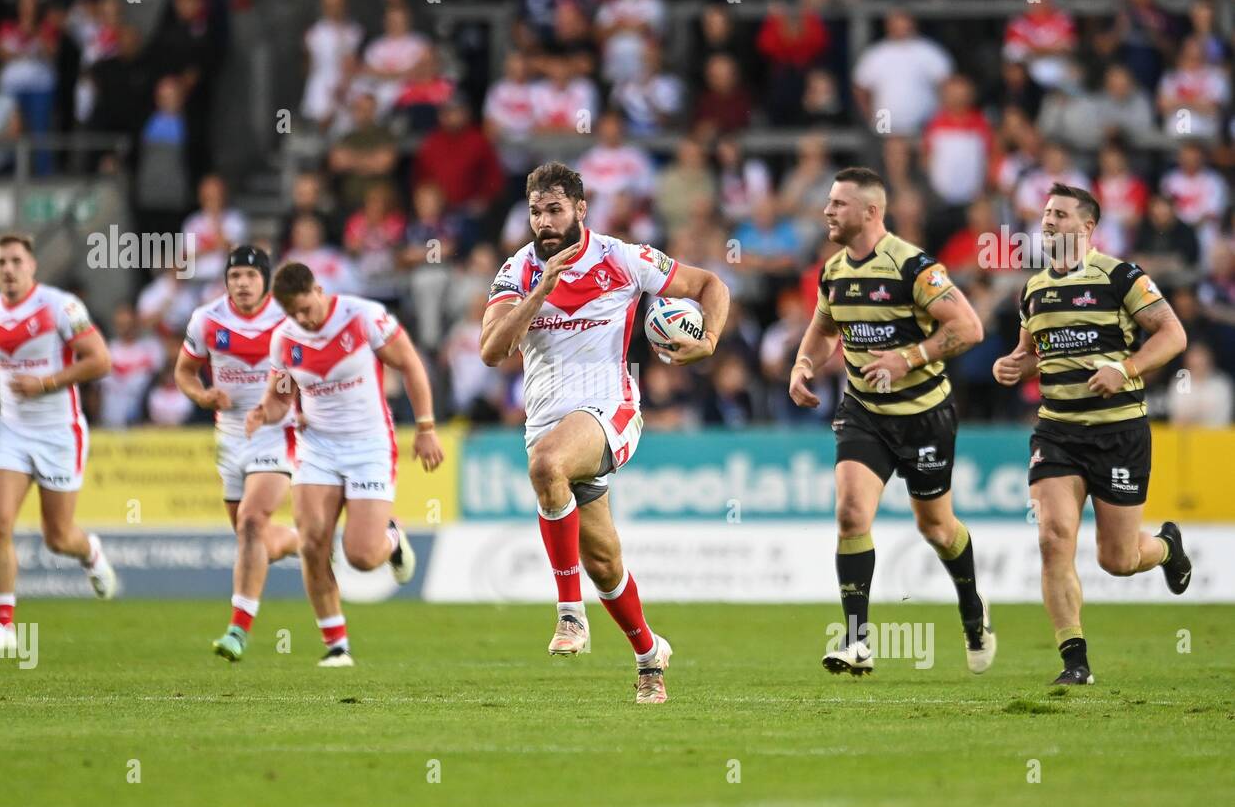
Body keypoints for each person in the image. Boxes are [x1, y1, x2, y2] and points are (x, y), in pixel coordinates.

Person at [479, 161, 731, 704]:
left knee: (548, 466)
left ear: (580, 210)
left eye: (555, 210)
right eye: (535, 212)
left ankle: (570, 616)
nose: (544, 222)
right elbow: (491, 351)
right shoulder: (518, 271)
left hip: (610, 408)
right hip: (546, 420)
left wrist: (708, 339)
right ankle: (649, 658)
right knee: (605, 564)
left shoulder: (622, 257)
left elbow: (710, 284)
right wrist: (543, 287)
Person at [788, 167, 993, 677]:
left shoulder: (914, 268)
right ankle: (857, 641)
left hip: (925, 416)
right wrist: (803, 364)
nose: (827, 211)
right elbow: (822, 328)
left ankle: (972, 610)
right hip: (864, 412)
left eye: (838, 204)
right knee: (852, 513)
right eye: (828, 202)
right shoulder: (834, 270)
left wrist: (908, 357)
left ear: (870, 212)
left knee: (938, 528)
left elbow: (969, 327)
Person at [992, 183, 1192, 685]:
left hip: (1119, 433)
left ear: (1087, 227)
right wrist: (1014, 366)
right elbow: (1031, 354)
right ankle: (1074, 661)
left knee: (1118, 560)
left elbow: (1173, 335)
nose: (1049, 221)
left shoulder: (1121, 276)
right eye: (1045, 213)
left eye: (1060, 214)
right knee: (1053, 536)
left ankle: (1167, 546)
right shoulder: (1033, 288)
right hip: (1057, 432)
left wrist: (1125, 369)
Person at [246, 263, 444, 667]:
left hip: (369, 445)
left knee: (362, 556)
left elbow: (410, 364)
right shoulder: (284, 341)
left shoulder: (363, 316)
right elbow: (280, 397)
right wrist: (262, 413)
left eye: (306, 308)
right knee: (313, 541)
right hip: (316, 446)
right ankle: (337, 644)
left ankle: (391, 537)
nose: (303, 319)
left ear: (319, 290)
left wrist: (426, 427)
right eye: (294, 314)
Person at [0, 233, 118, 654]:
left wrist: (46, 382)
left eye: (15, 261)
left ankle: (90, 551)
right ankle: (2, 626)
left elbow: (100, 360)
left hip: (60, 431)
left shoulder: (61, 307)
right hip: (13, 432)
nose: (8, 269)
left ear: (32, 265)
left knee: (58, 537)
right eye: (0, 262)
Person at [176, 246, 301, 661]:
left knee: (251, 520)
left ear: (266, 280)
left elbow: (309, 371)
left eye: (250, 275)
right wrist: (201, 394)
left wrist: (280, 407)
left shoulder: (287, 320)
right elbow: (184, 370)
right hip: (229, 439)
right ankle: (309, 540)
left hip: (276, 434)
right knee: (254, 538)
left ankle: (237, 631)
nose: (242, 284)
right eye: (235, 277)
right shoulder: (206, 319)